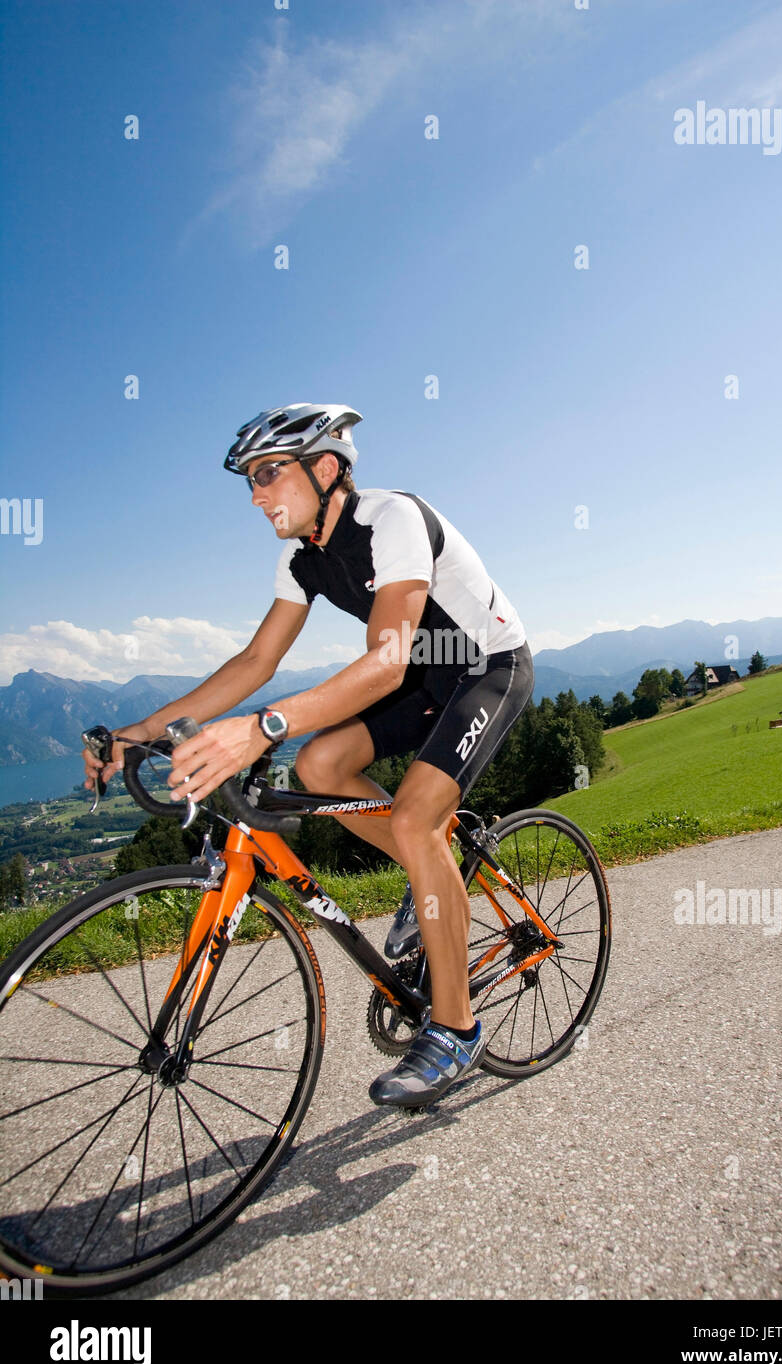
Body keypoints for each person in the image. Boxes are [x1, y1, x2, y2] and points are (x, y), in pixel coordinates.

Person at [82, 404, 534, 1107]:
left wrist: (260, 729)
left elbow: (383, 664)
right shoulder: (302, 556)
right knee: (319, 768)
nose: (257, 496)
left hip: (487, 670)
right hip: (423, 679)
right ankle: (433, 873)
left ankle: (456, 1027)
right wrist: (138, 733)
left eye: (268, 475)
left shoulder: (392, 520)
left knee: (415, 821)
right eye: (250, 483)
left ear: (326, 469)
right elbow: (256, 660)